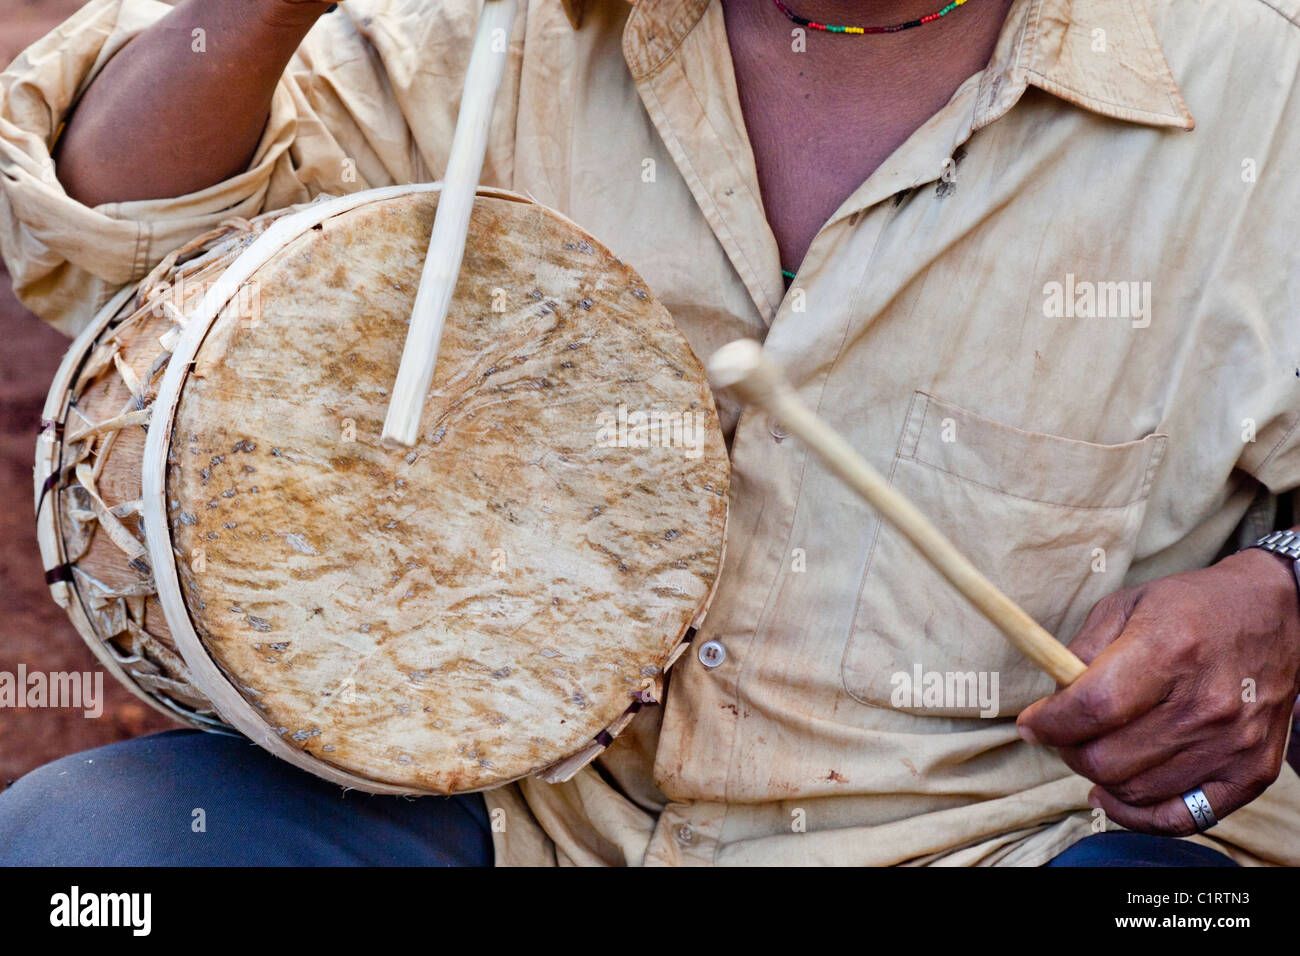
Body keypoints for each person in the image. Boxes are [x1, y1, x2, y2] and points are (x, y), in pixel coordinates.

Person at [1, 0, 1298, 866]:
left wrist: (1279, 588)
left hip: (1029, 840)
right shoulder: (487, 27)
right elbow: (114, 240)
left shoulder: (1264, 83)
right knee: (97, 854)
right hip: (521, 826)